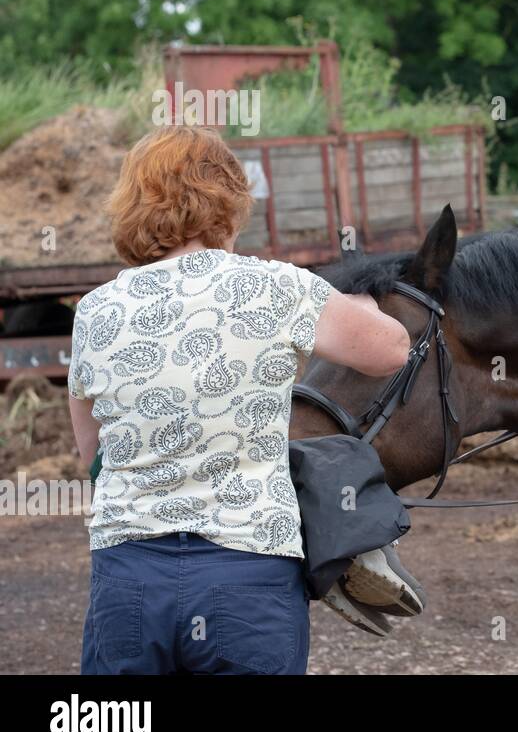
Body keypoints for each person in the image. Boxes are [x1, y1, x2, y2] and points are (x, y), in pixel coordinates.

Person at [68, 124, 424, 673]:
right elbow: (393, 351)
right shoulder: (276, 287)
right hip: (247, 576)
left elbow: (91, 452)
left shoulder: (95, 310)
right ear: (229, 203)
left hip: (129, 579)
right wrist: (360, 301)